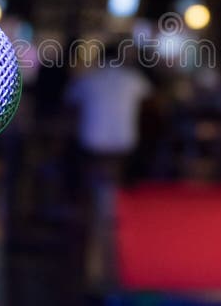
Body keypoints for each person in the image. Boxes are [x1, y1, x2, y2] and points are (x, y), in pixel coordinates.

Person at [64, 43, 151, 290]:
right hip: (123, 144)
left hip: (93, 144)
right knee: (112, 179)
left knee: (93, 180)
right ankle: (111, 219)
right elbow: (150, 99)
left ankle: (96, 219)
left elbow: (70, 100)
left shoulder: (89, 78)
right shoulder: (133, 78)